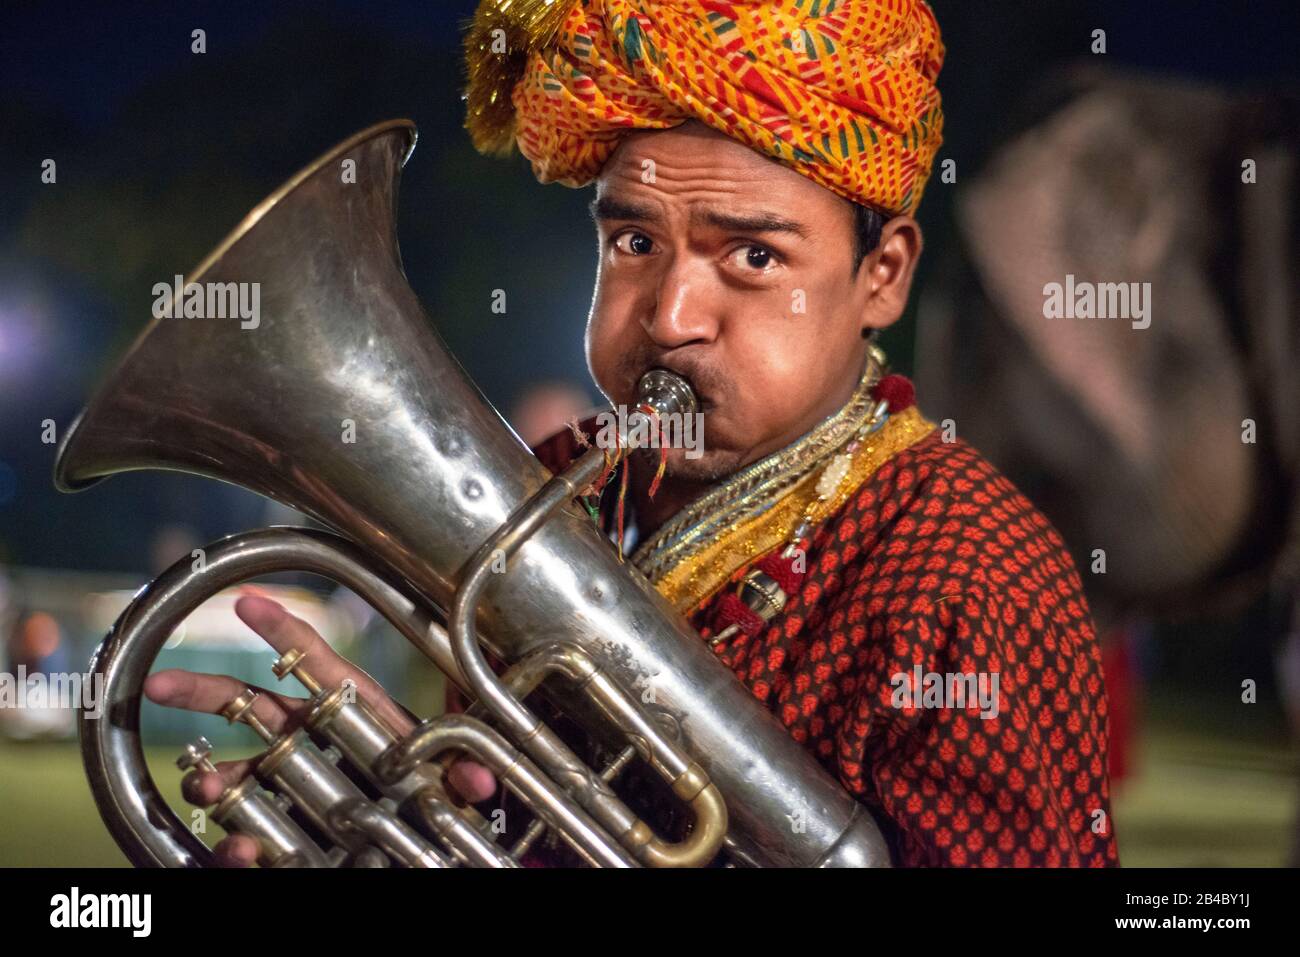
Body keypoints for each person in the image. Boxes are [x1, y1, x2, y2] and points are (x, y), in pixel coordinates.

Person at [144, 0, 1117, 867]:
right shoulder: (562, 480)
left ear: (883, 277)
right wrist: (397, 807)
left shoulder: (980, 578)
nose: (670, 316)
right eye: (635, 244)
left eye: (751, 254)